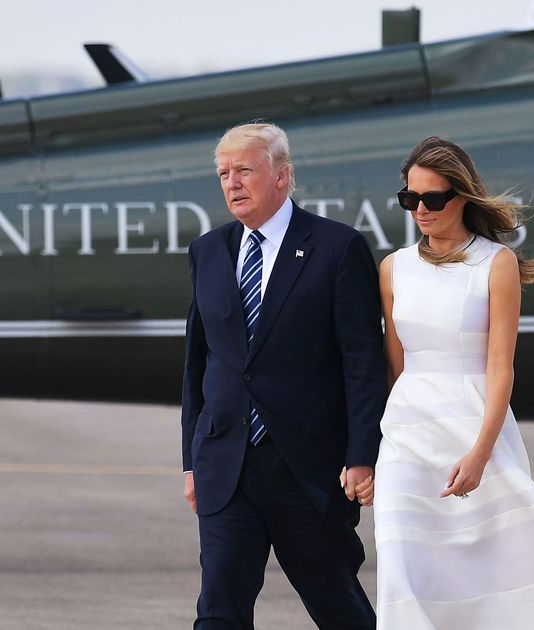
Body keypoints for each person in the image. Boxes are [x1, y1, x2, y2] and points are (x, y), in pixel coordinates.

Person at [366, 136, 534, 629]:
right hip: (406, 433)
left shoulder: (495, 263)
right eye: (410, 198)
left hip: (475, 427)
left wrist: (481, 453)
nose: (420, 209)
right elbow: (395, 367)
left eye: (432, 198)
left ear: (462, 196)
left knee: (493, 574)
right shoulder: (393, 268)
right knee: (402, 568)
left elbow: (501, 368)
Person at [180, 122, 385, 630]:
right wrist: (191, 459)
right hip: (227, 466)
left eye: (245, 169)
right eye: (224, 173)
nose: (232, 182)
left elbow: (362, 362)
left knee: (337, 607)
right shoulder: (207, 252)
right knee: (219, 609)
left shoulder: (337, 248)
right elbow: (197, 364)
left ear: (283, 175)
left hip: (309, 469)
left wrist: (362, 455)